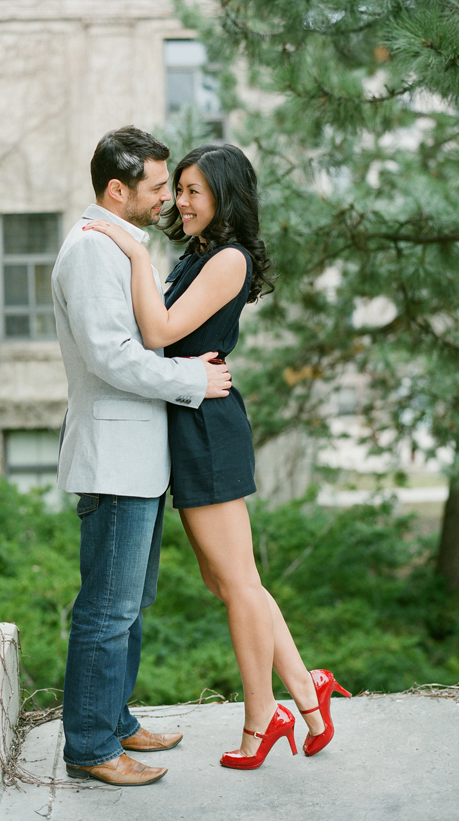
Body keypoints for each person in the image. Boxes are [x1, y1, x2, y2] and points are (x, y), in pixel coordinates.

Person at [84, 143, 351, 770]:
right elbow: (165, 336)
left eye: (193, 191)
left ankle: (264, 716)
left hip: (207, 425)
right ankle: (308, 695)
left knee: (237, 583)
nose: (180, 201)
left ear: (224, 195)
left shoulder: (227, 260)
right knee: (230, 581)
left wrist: (132, 248)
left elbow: (156, 333)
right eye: (176, 189)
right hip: (189, 417)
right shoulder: (199, 253)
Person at [51, 127, 232, 787]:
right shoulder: (95, 250)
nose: (166, 198)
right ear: (117, 189)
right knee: (106, 607)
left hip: (135, 456)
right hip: (114, 456)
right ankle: (93, 746)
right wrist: (192, 380)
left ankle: (115, 720)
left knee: (129, 602)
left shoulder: (119, 244)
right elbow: (113, 357)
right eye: (157, 187)